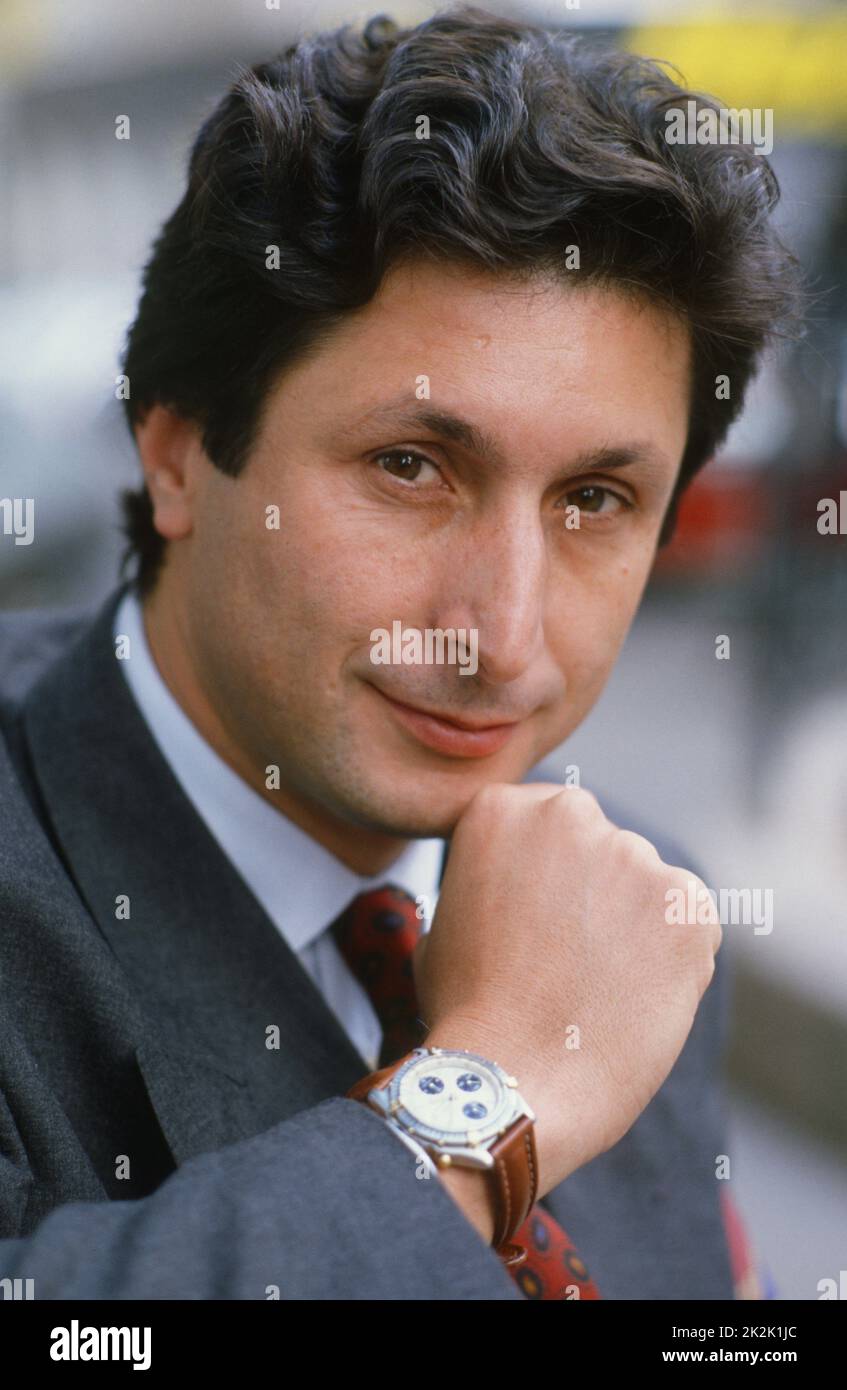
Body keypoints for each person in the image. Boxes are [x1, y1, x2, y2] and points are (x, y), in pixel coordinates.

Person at [0, 5, 801, 1300]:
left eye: (595, 501)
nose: (503, 637)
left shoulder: (634, 911)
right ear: (177, 452)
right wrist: (487, 1102)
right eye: (411, 467)